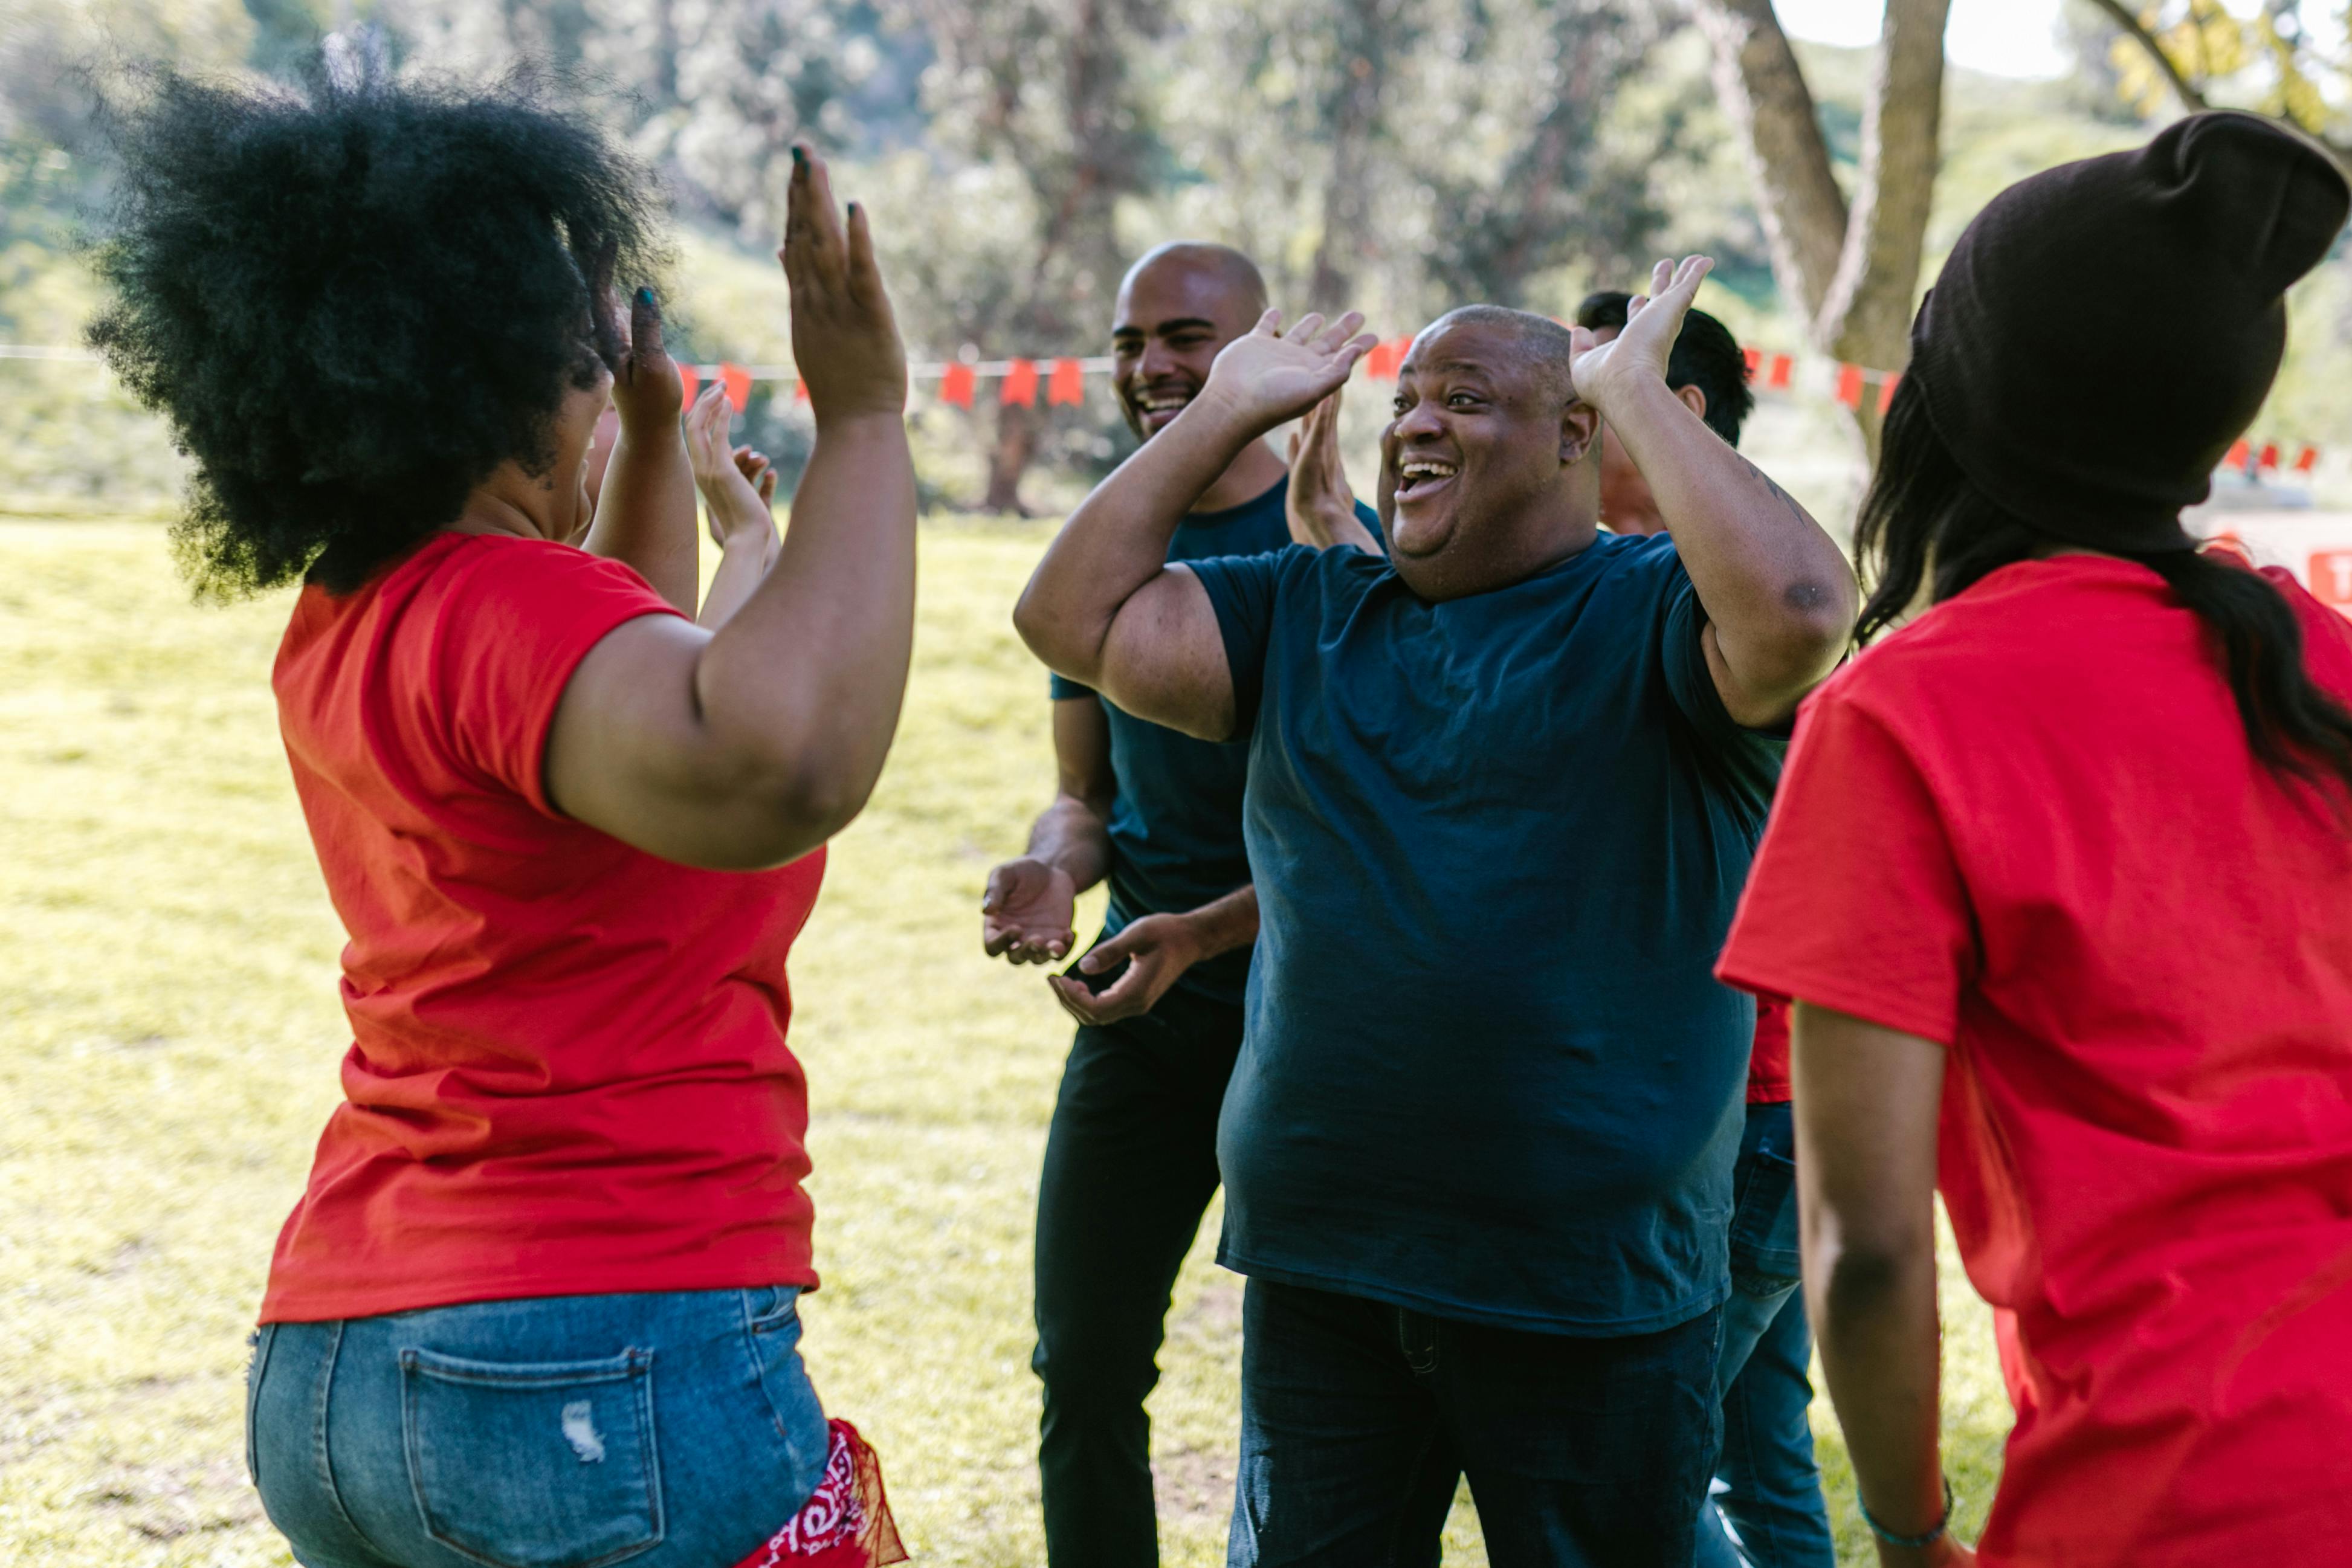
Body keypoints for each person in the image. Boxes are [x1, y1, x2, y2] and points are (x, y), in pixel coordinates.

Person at [88, 71, 914, 1568]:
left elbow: (624, 672)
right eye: (591, 365)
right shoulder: (508, 606)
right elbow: (782, 760)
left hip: (341, 1366)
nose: (609, 386)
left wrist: (653, 440)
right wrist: (863, 416)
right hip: (592, 1350)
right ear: (497, 382)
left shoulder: (362, 616)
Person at [1013, 259, 1857, 1566]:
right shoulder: (1308, 613)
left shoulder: (1653, 616)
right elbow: (1066, 619)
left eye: (1463, 398)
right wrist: (1217, 411)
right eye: (1406, 397)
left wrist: (1635, 385)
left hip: (1587, 1289)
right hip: (1324, 1269)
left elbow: (1805, 615)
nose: (1413, 423)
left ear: (1577, 435)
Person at [1716, 112, 2352, 1567]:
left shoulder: (1901, 715)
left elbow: (1865, 1245)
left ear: (1962, 398)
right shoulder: (2329, 665)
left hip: (2187, 1489)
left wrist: (1903, 1521)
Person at [979, 240, 1378, 1568]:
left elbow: (1367, 840)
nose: (1150, 366)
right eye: (1129, 339)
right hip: (1134, 1027)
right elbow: (1085, 799)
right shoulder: (1110, 545)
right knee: (1081, 1367)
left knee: (1318, 1403)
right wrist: (1052, 864)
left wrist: (1207, 931)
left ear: (1257, 352)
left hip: (1304, 1032)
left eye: (1186, 339)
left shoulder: (1334, 542)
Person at [1574, 289, 1830, 1568]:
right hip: (1759, 1104)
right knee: (1751, 1437)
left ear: (1670, 409)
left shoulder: (1728, 589)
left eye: (1589, 393)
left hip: (1745, 1113)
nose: (1562, 423)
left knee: (1631, 1472)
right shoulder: (1622, 577)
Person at [1572, 292, 1756, 538]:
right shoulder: (1559, 561)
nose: (1572, 413)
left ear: (1684, 412)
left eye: (1599, 387)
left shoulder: (1755, 565)